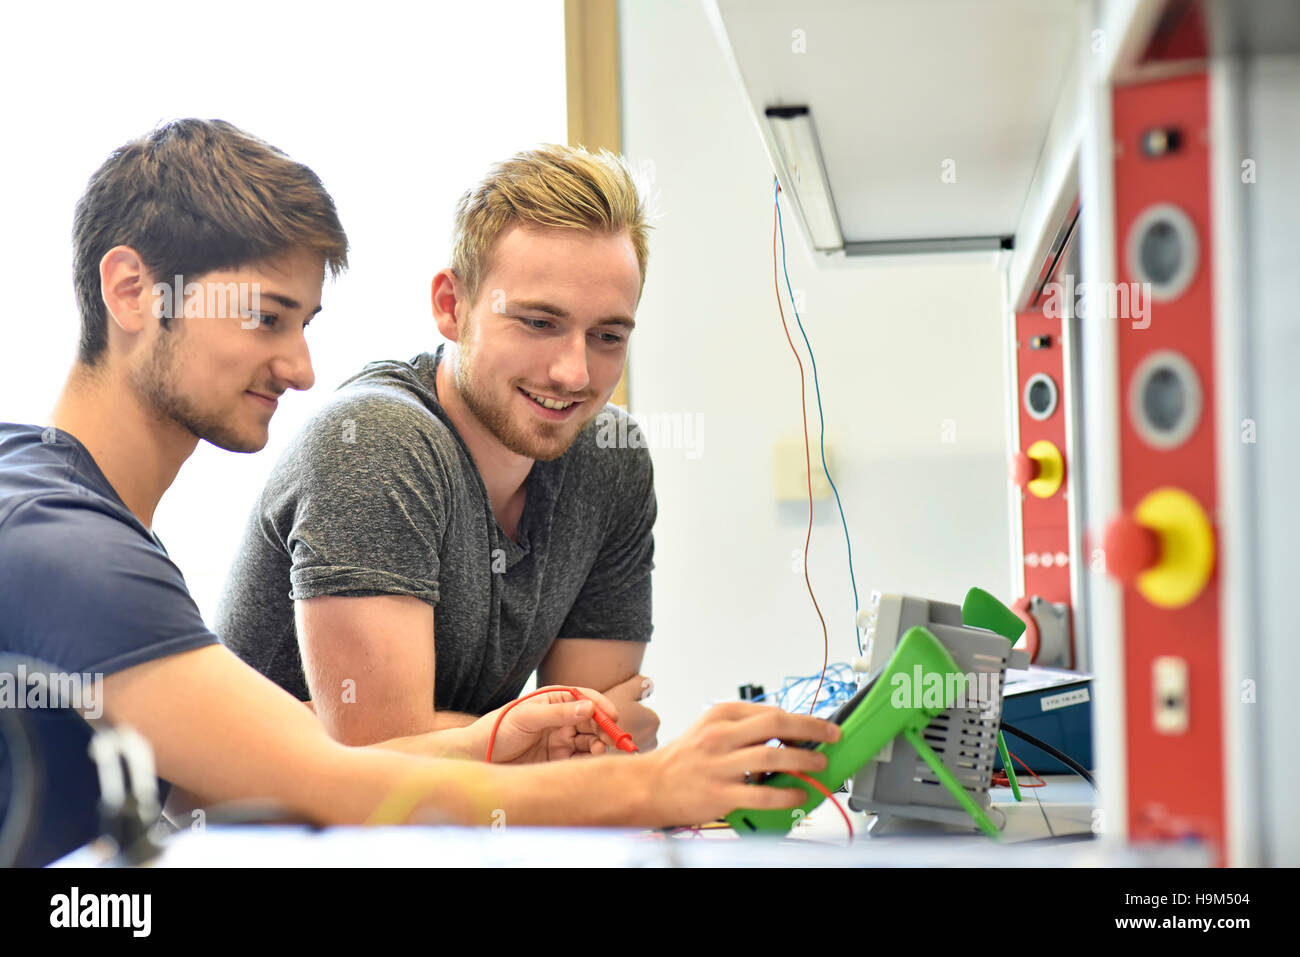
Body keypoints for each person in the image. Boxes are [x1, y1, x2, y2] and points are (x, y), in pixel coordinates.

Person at [0, 119, 837, 866]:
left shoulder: (71, 520)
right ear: (130, 291)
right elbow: (340, 784)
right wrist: (652, 785)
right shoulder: (70, 549)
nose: (302, 369)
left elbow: (293, 773)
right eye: (265, 317)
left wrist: (508, 740)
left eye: (305, 324)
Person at [217, 146, 661, 750]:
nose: (574, 374)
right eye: (538, 322)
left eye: (607, 335)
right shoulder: (377, 444)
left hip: (471, 833)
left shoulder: (610, 458)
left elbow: (596, 743)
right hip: (272, 838)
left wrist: (541, 740)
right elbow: (379, 761)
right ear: (451, 307)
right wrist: (540, 737)